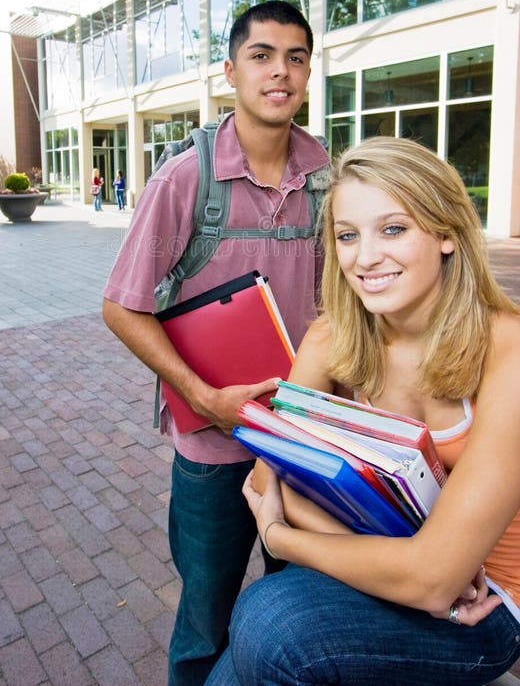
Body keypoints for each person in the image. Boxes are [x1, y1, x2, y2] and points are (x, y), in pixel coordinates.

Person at [207, 136, 520, 686]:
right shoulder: (334, 337)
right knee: (257, 644)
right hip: (395, 568)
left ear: (447, 233)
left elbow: (434, 581)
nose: (365, 257)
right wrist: (410, 564)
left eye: (393, 229)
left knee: (268, 623)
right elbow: (266, 482)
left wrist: (280, 538)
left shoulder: (508, 350)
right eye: (347, 236)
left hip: (488, 604)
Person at [102, 0, 331, 685]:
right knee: (206, 617)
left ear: (308, 72)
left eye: (295, 57)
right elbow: (121, 306)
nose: (279, 71)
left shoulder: (328, 175)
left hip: (303, 441)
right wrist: (205, 396)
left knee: (303, 610)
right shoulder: (185, 178)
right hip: (212, 447)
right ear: (230, 71)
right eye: (262, 56)